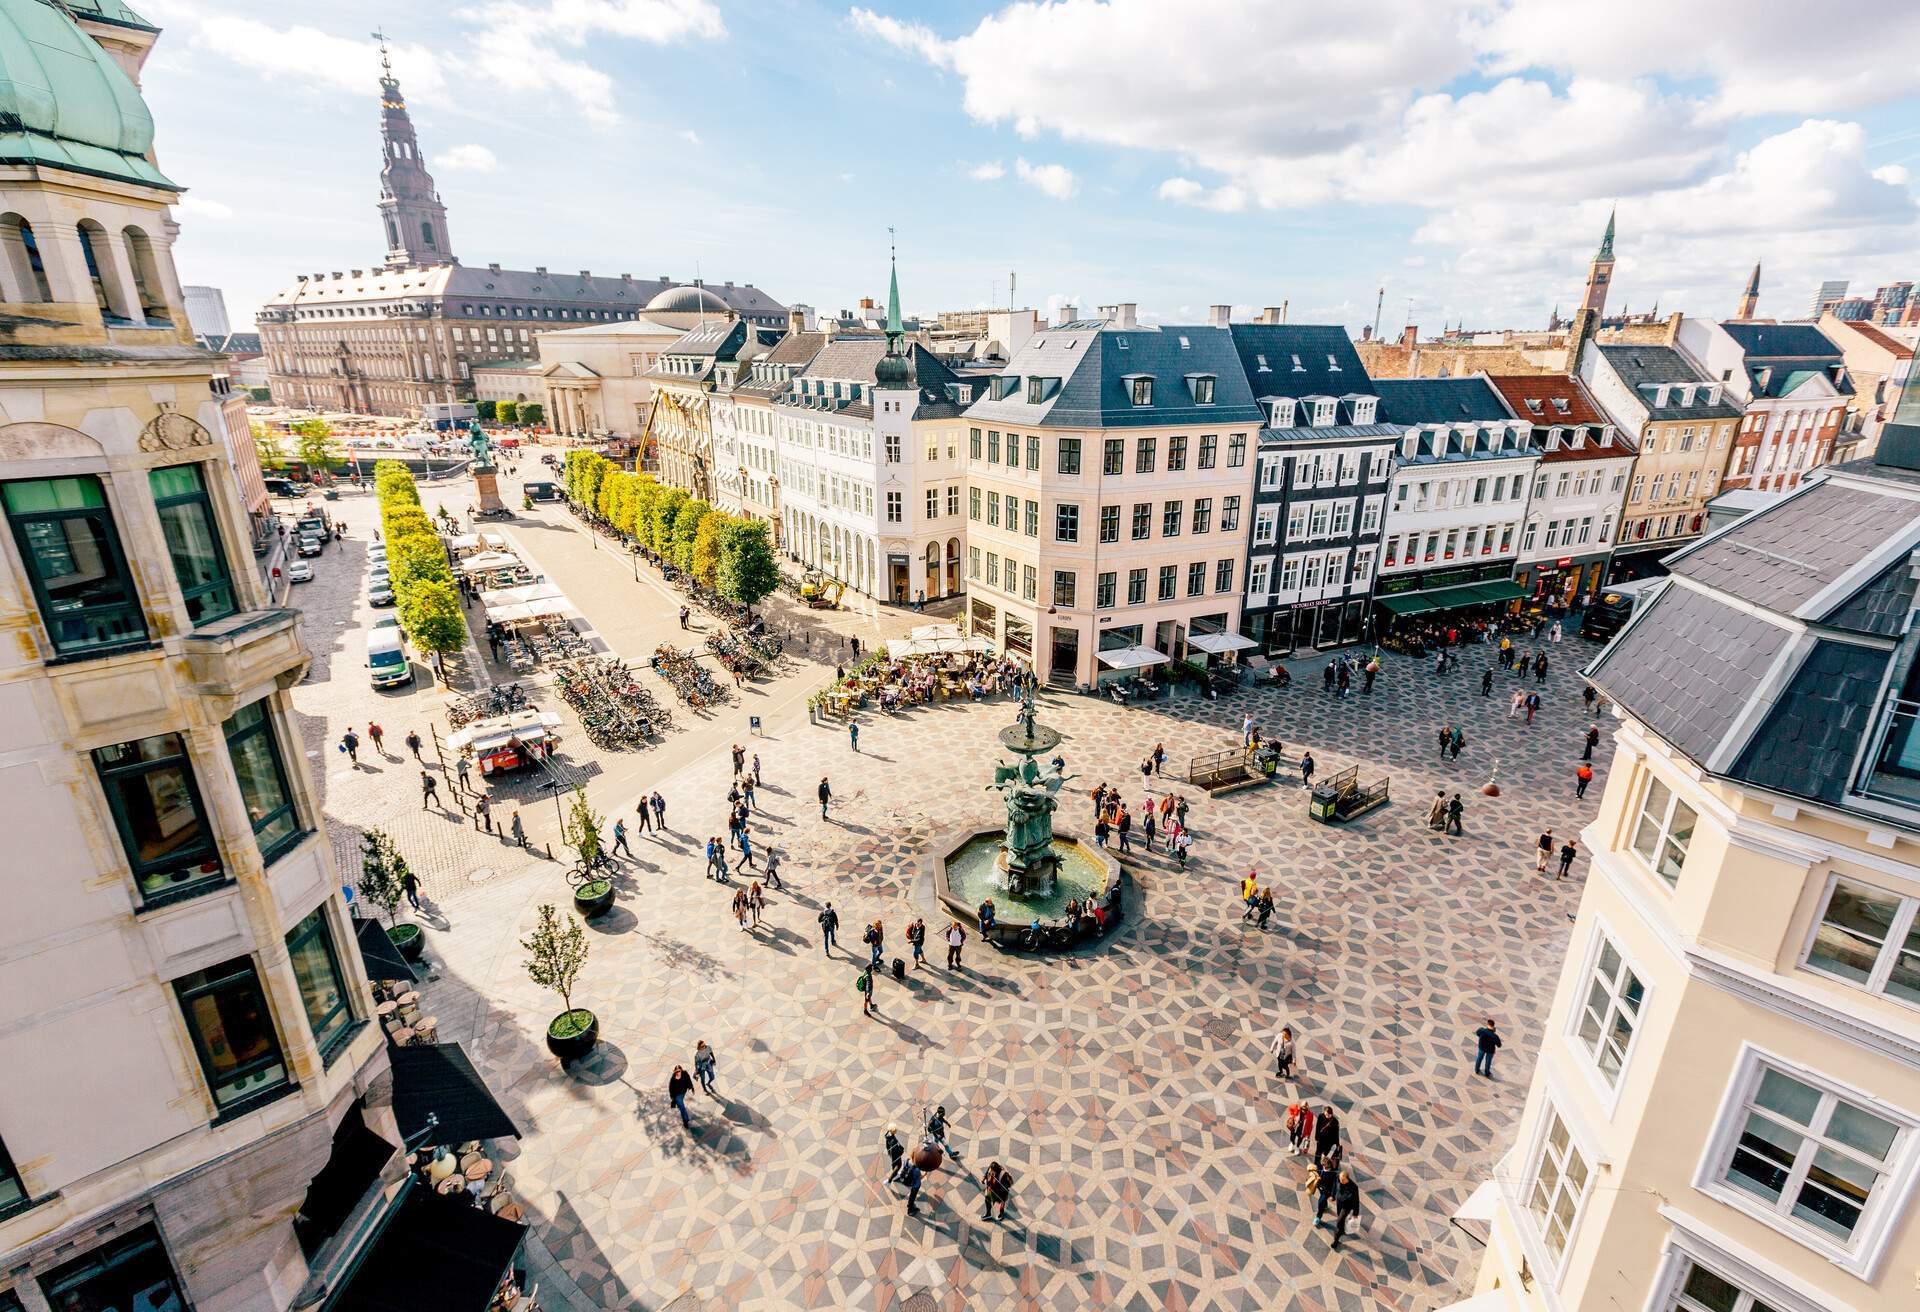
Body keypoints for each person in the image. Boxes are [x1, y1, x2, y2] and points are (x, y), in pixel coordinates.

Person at [1331, 1171, 1361, 1250]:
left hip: (1347, 1206)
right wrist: (1333, 1196)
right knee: (1340, 1217)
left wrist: (1355, 1213)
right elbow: (1334, 1186)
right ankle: (1342, 1227)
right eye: (1340, 1179)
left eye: (1343, 1180)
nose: (1341, 1181)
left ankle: (1336, 1240)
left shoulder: (1354, 1187)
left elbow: (1356, 1201)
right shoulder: (1338, 1178)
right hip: (1339, 1203)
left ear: (1347, 1178)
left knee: (1339, 1222)